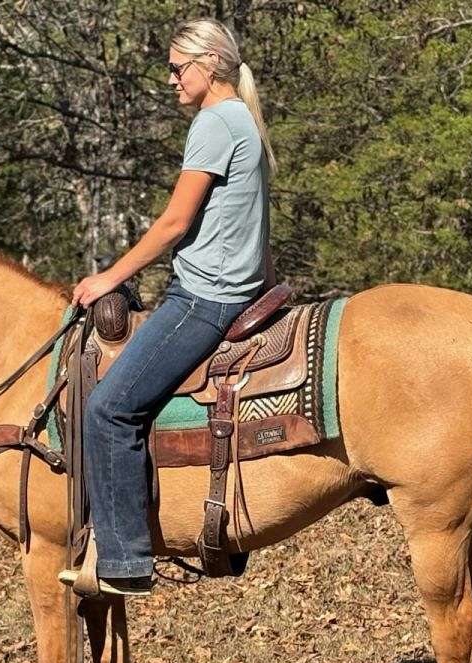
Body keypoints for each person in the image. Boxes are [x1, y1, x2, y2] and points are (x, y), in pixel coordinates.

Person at [63, 18, 277, 598]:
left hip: (205, 297)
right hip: (234, 290)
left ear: (210, 65)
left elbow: (174, 223)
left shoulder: (214, 122)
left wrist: (108, 277)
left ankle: (124, 562)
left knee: (109, 408)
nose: (171, 79)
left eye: (178, 68)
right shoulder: (243, 120)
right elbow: (248, 227)